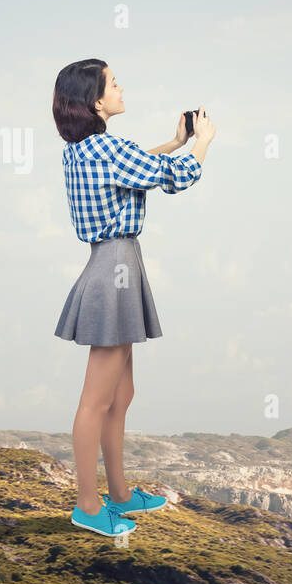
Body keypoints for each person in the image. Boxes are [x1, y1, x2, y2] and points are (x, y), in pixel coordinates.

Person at [50, 58, 215, 537]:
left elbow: (140, 164)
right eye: (114, 83)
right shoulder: (109, 151)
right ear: (97, 101)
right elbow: (174, 177)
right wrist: (202, 143)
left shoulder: (85, 152)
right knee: (96, 399)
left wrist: (177, 142)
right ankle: (87, 504)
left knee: (121, 394)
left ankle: (120, 495)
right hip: (114, 268)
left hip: (114, 264)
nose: (122, 88)